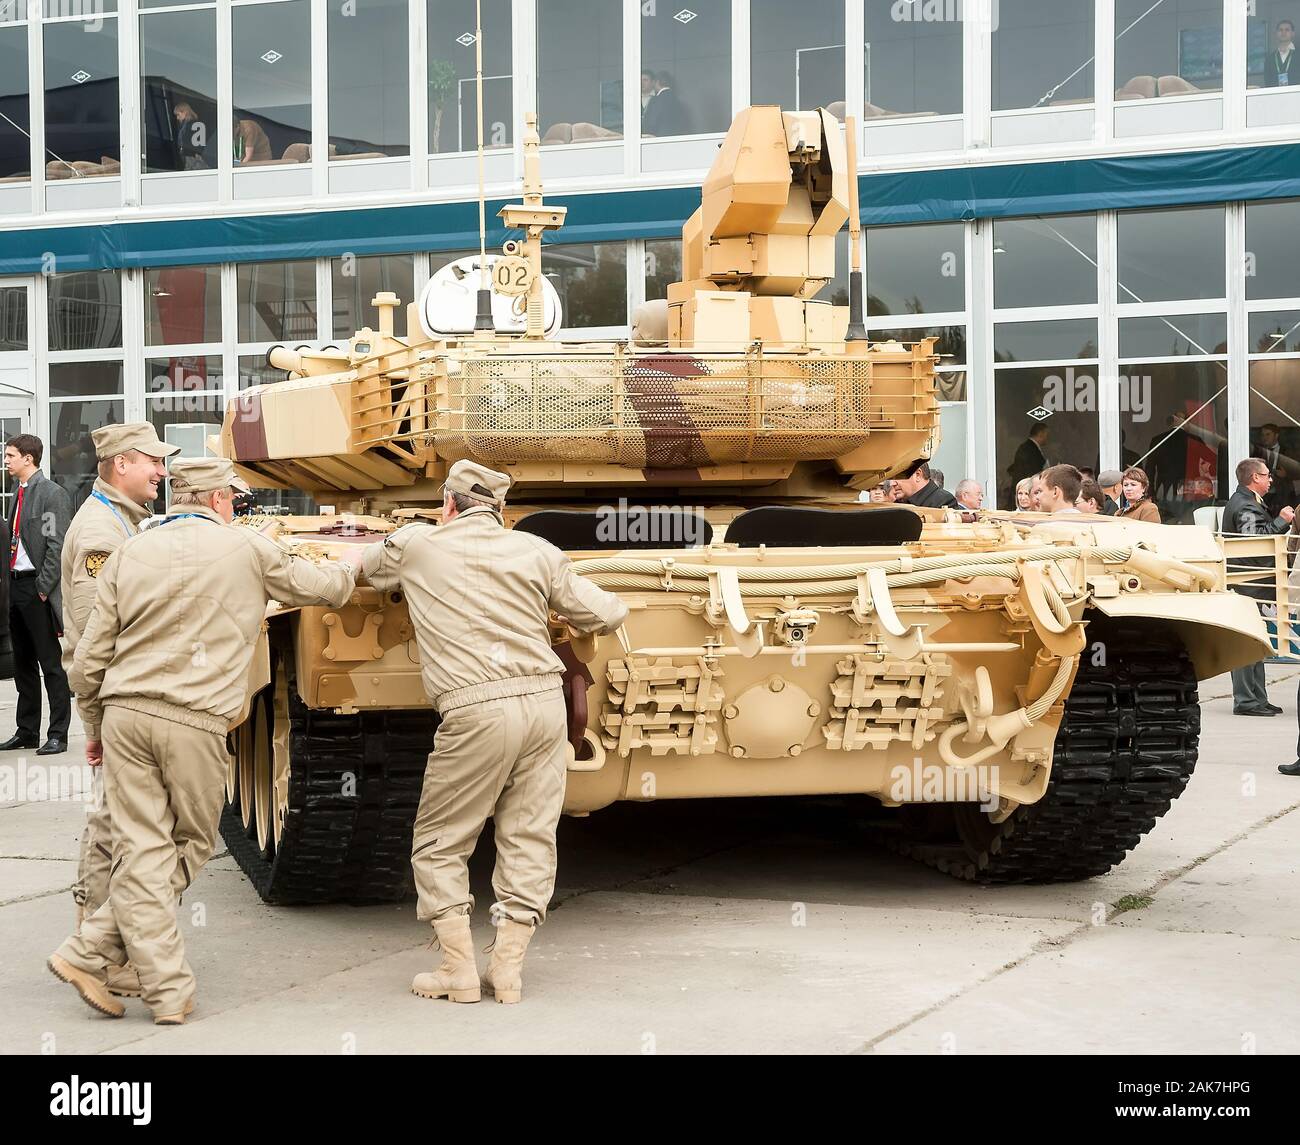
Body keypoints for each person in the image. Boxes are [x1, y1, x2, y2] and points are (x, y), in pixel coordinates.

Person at [48, 458, 356, 1025]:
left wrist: (94, 729)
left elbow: (89, 660)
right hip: (193, 721)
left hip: (126, 716)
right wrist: (354, 565)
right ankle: (134, 974)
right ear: (219, 499)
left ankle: (104, 956)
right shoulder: (246, 548)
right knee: (187, 844)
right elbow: (324, 588)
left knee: (141, 847)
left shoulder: (130, 551)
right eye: (232, 498)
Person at [361, 460, 627, 1005]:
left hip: (476, 709)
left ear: (448, 503)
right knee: (530, 834)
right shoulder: (535, 550)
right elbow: (606, 612)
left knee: (441, 841)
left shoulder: (417, 544)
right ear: (501, 510)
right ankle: (507, 970)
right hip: (544, 704)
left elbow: (365, 571)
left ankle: (457, 969)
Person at [63, 424, 179, 1001]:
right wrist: (94, 725)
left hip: (123, 701)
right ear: (122, 463)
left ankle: (112, 948)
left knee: (128, 828)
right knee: (110, 828)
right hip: (114, 703)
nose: (162, 472)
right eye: (153, 463)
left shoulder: (124, 521)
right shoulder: (99, 534)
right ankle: (94, 950)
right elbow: (89, 642)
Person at [2, 434, 72, 756]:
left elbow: (56, 547)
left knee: (50, 664)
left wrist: (43, 588)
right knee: (23, 664)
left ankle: (58, 732)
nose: (6, 461)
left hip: (36, 589)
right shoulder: (18, 493)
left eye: (11, 455)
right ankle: (26, 730)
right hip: (16, 586)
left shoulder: (50, 494)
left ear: (28, 459)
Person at [1223, 458, 1294, 718]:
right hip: (1248, 586)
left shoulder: (1246, 501)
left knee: (1257, 644)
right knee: (1247, 645)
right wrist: (1282, 521)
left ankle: (1257, 698)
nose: (1270, 479)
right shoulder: (1245, 505)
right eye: (1266, 476)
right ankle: (1246, 700)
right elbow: (1255, 541)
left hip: (1250, 585)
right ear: (1255, 478)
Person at [642, 71, 690, 136]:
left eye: (645, 80)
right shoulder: (677, 99)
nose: (641, 83)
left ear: (657, 82)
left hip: (658, 138)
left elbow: (652, 122)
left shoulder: (656, 99)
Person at [1007, 425, 1049, 491]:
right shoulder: (1029, 449)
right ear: (1040, 434)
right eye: (1047, 434)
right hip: (1027, 489)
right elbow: (1032, 471)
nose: (1047, 438)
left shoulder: (1029, 447)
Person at [1266, 20, 1297, 87]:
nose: (1283, 32)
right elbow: (1267, 83)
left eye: (1287, 30)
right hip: (1276, 96)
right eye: (1280, 30)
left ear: (1293, 33)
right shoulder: (1270, 58)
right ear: (1276, 33)